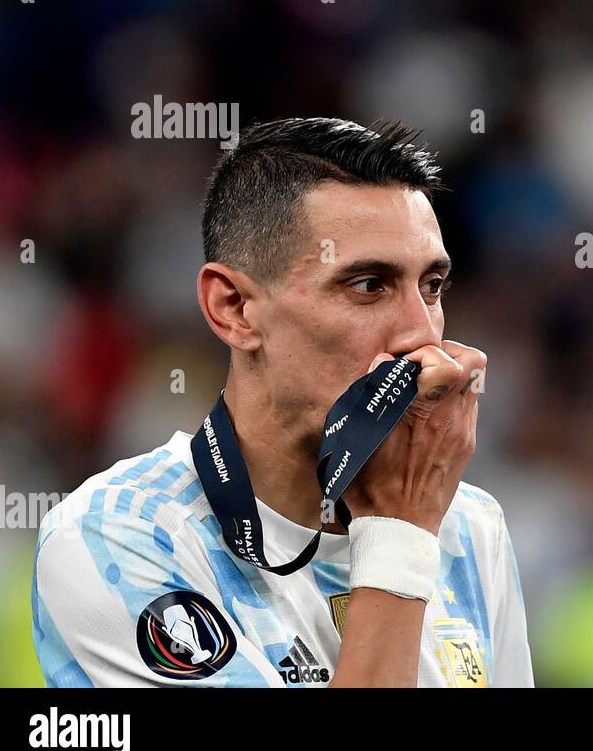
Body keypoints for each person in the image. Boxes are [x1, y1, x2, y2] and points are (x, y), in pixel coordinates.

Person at [32, 117, 533, 687]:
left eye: (432, 286)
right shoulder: (122, 536)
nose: (420, 333)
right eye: (368, 285)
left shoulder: (470, 528)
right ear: (235, 308)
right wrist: (399, 530)